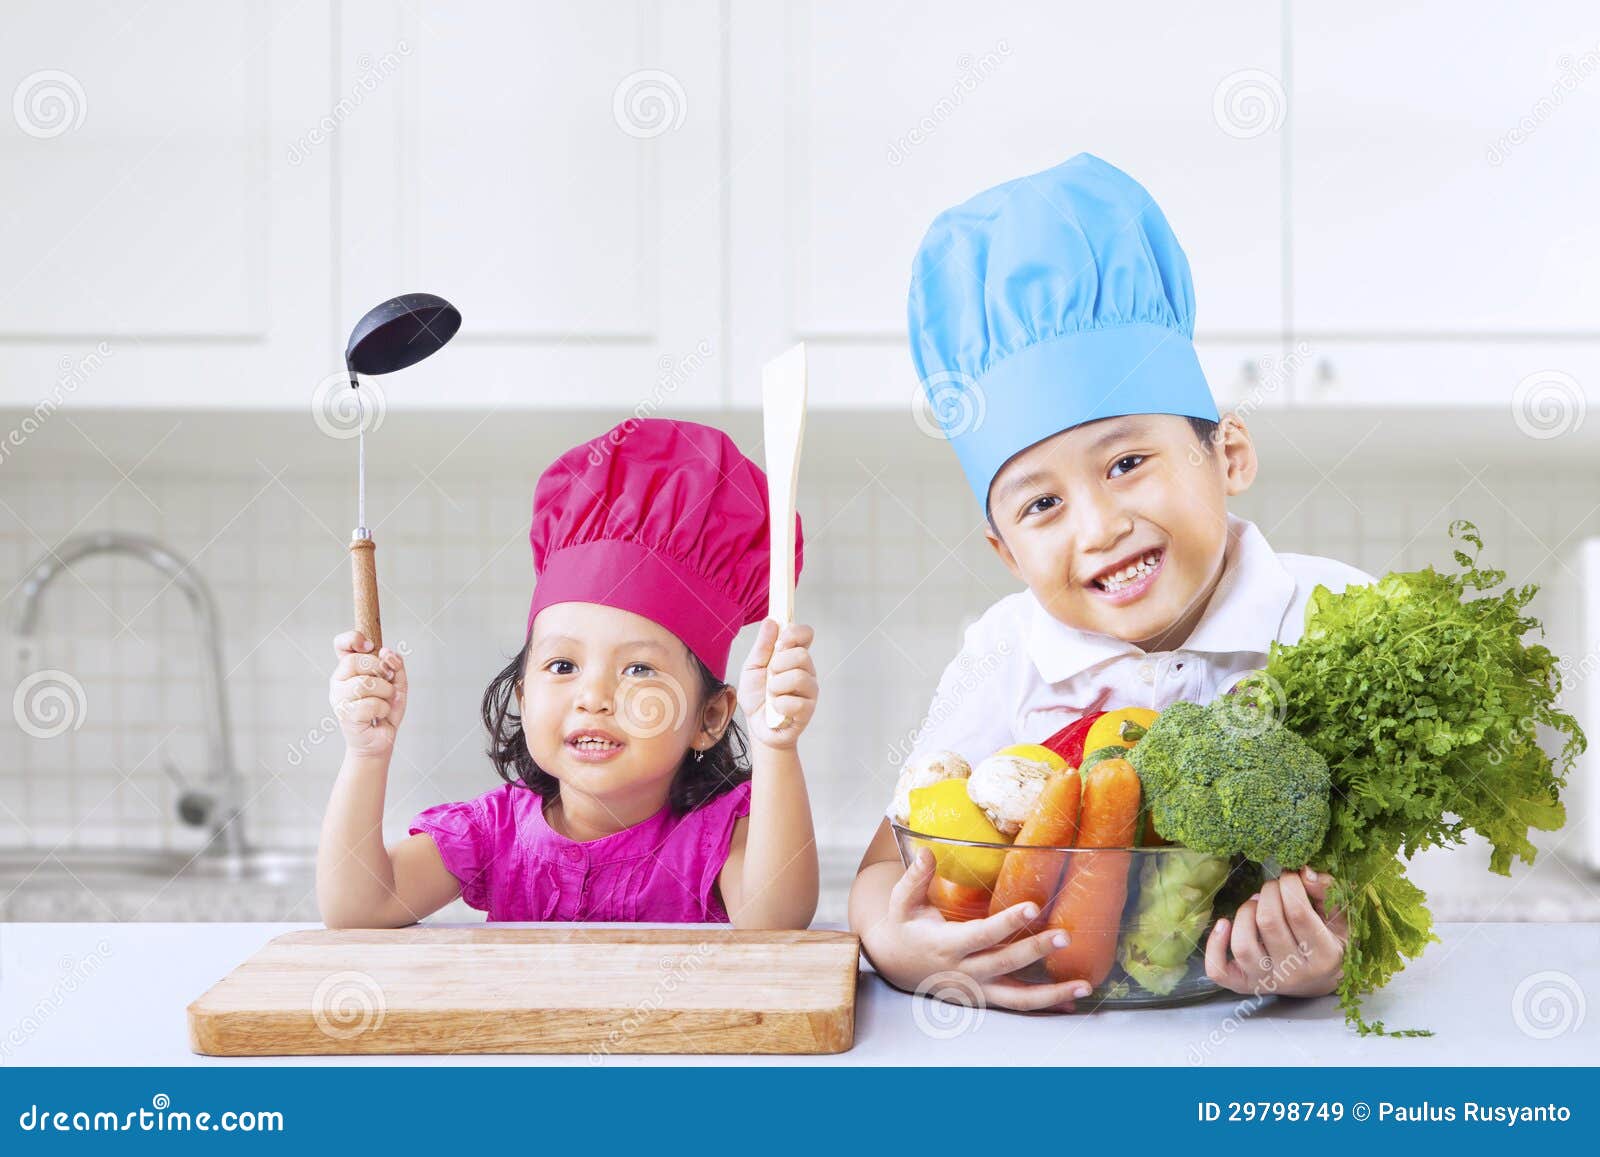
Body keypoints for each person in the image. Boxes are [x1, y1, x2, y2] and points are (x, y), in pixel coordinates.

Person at [849, 153, 1364, 1009]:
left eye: (1127, 462)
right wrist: (899, 944)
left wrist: (1327, 960)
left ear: (1228, 454)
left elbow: (1388, 889)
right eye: (1042, 503)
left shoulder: (1326, 619)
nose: (1098, 527)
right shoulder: (1008, 650)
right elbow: (880, 870)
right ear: (1007, 554)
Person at [318, 418, 819, 929]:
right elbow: (360, 908)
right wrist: (366, 753)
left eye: (638, 668)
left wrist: (776, 745)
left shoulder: (721, 835)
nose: (594, 696)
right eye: (563, 666)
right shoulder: (494, 833)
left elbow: (776, 921)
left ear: (709, 717)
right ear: (523, 696)